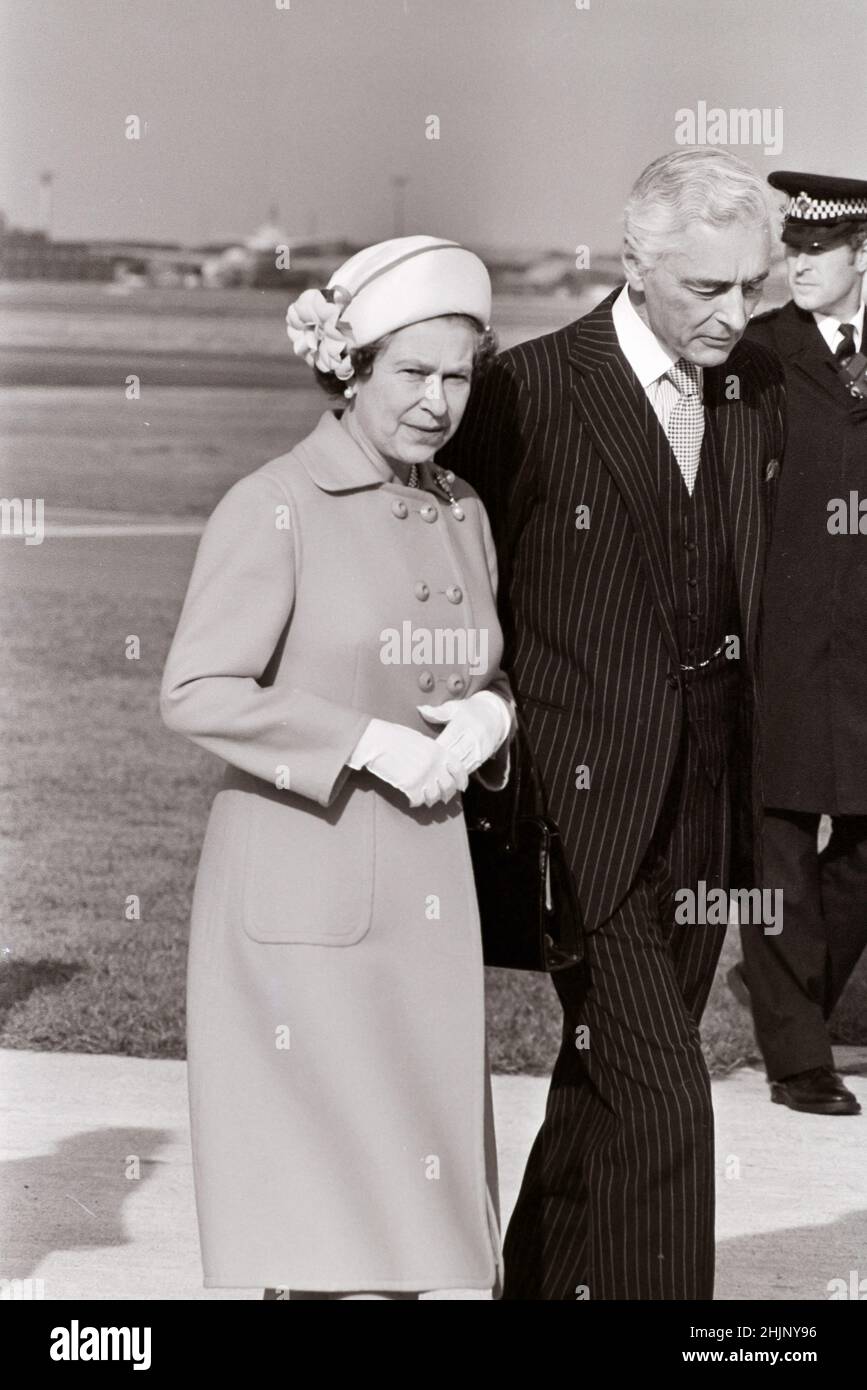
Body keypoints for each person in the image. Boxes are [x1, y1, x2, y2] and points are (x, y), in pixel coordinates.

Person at [439, 148, 786, 1300]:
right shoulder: (526, 391)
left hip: (709, 819)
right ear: (636, 266)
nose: (737, 315)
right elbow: (442, 563)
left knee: (605, 1082)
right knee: (668, 1105)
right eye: (709, 289)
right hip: (578, 818)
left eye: (756, 286)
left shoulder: (755, 386)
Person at [160, 235, 516, 1300]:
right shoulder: (276, 504)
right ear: (350, 365)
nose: (438, 400)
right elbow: (197, 688)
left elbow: (480, 665)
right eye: (412, 372)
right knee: (321, 1226)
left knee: (414, 1225)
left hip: (425, 900)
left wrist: (490, 717)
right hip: (301, 903)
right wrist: (362, 741)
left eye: (457, 376)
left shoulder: (463, 509)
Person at [729, 172, 867, 1117]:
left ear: (863, 253)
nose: (797, 265)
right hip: (776, 635)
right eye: (791, 248)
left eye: (817, 251)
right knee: (775, 833)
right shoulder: (758, 355)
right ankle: (797, 1057)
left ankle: (791, 1000)